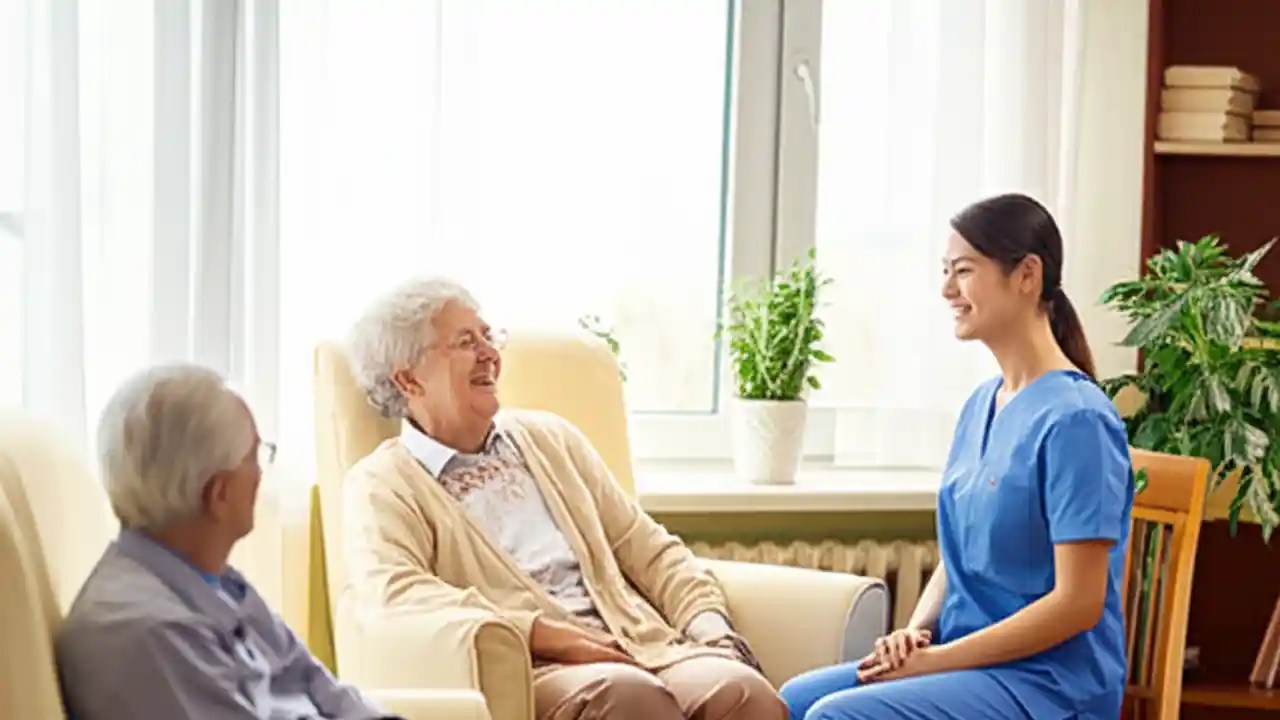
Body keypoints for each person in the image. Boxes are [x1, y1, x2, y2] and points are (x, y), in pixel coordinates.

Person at [343, 278, 785, 720]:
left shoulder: (550, 438)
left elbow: (647, 548)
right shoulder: (382, 484)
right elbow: (399, 595)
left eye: (487, 336)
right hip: (532, 671)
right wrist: (544, 634)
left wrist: (714, 634)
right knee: (630, 697)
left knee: (743, 692)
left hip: (643, 647)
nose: (490, 354)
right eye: (464, 342)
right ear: (408, 378)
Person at [780, 193, 1134, 720]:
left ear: (1027, 275)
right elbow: (960, 556)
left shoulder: (1078, 421)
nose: (947, 289)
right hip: (968, 664)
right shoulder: (980, 406)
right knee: (788, 701)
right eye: (945, 271)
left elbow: (1078, 605)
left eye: (963, 271)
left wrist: (939, 661)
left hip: (1051, 684)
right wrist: (915, 634)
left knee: (837, 717)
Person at [57, 364, 391, 719]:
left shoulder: (215, 581)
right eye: (255, 456)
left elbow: (320, 689)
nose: (262, 473)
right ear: (219, 493)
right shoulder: (150, 634)